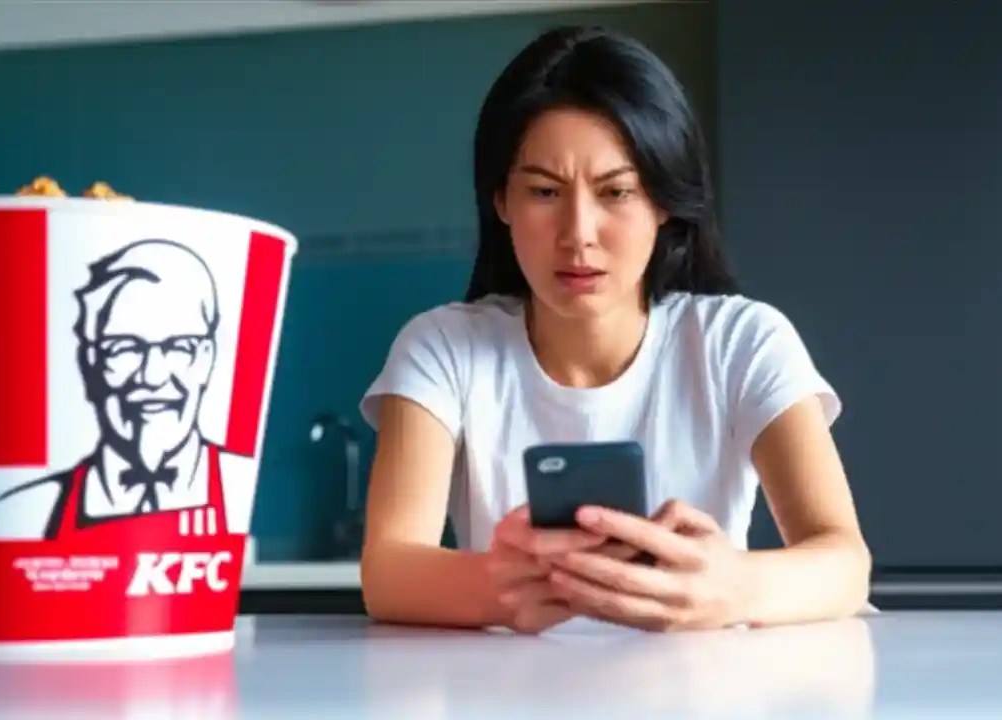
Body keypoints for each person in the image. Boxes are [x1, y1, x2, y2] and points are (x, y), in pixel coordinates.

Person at [358, 25, 871, 633]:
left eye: (617, 192)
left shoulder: (743, 342)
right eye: (544, 191)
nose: (579, 234)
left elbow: (844, 561)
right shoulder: (441, 349)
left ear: (663, 201)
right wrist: (499, 587)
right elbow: (388, 570)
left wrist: (732, 589)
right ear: (501, 200)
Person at [0, 239, 242, 541]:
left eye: (180, 347)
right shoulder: (28, 510)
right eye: (125, 348)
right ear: (90, 362)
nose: (152, 377)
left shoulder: (242, 488)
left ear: (206, 359)